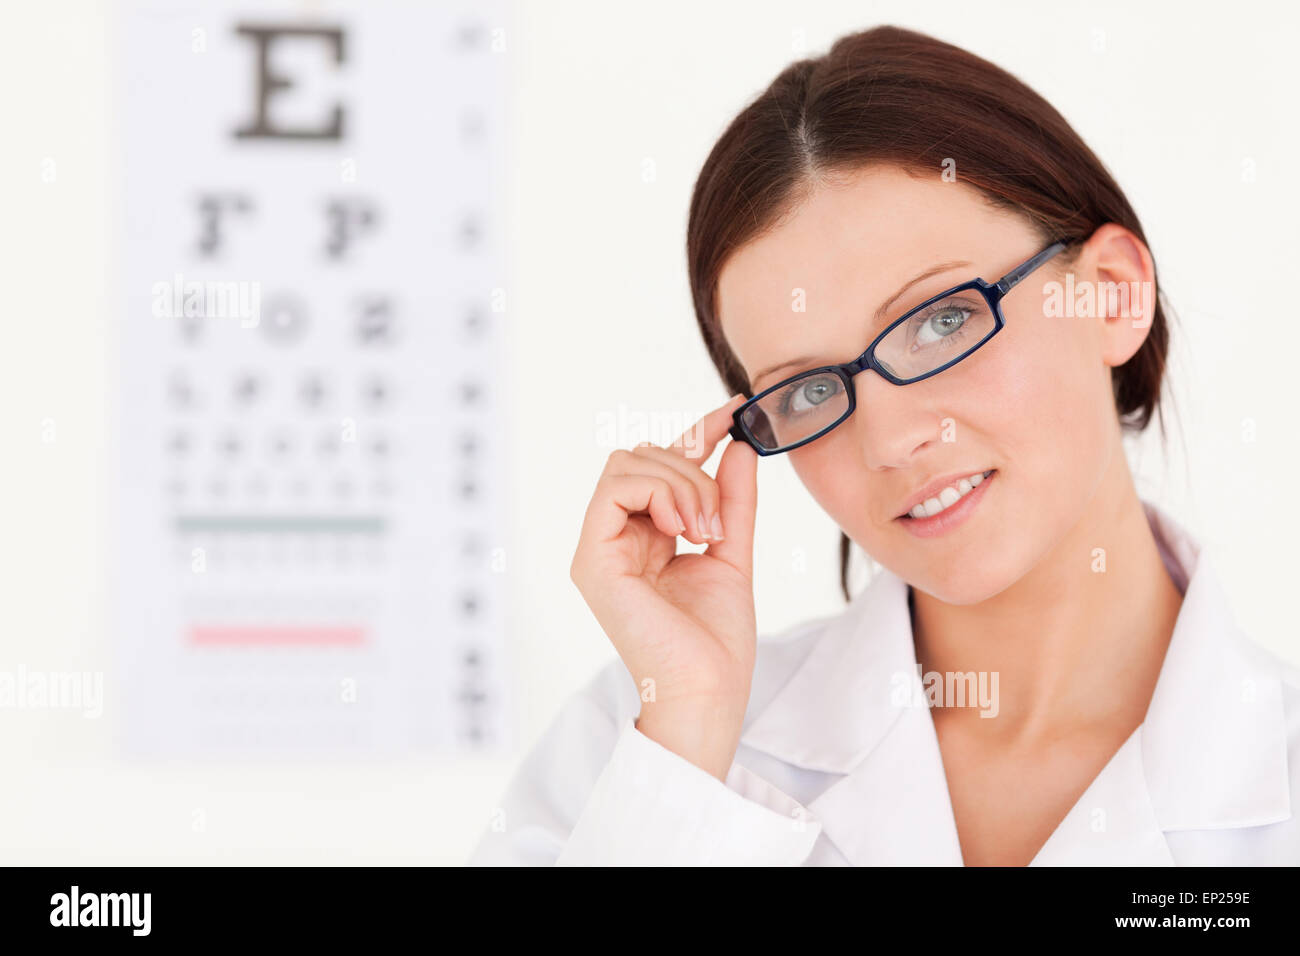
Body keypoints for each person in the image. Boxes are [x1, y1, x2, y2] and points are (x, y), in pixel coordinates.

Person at [468, 24, 1300, 865]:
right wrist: (684, 751)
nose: (892, 440)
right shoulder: (648, 741)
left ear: (1111, 296)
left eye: (941, 321)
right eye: (809, 390)